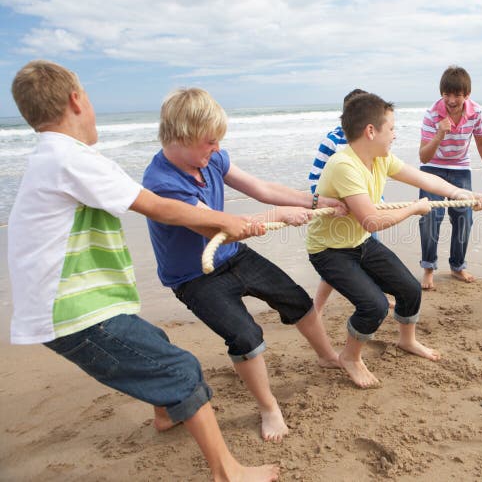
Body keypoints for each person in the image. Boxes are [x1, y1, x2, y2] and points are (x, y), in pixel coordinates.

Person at [8, 60, 278, 481]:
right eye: (89, 98)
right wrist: (226, 220)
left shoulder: (53, 157)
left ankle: (166, 414)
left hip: (71, 304)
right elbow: (157, 206)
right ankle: (228, 473)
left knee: (155, 341)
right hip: (70, 312)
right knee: (181, 370)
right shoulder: (69, 157)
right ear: (76, 100)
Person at [143, 87, 346, 443]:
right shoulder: (162, 184)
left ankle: (328, 356)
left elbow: (261, 188)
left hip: (233, 255)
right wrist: (278, 215)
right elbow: (218, 229)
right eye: (210, 141)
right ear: (182, 136)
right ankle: (269, 407)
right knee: (246, 336)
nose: (217, 148)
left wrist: (316, 201)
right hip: (195, 276)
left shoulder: (211, 158)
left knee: (296, 299)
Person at [306, 92, 482, 388]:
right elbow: (372, 221)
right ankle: (350, 357)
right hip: (329, 250)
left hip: (359, 242)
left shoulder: (380, 159)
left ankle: (407, 341)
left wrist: (461, 193)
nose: (394, 134)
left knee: (409, 289)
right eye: (391, 128)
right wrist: (414, 209)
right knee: (374, 306)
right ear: (371, 131)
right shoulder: (344, 165)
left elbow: (424, 178)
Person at [418, 65, 482, 290]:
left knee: (464, 217)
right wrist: (439, 134)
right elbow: (423, 156)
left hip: (460, 168)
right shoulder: (431, 114)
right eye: (447, 94)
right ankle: (428, 268)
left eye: (457, 95)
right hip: (432, 168)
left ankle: (457, 266)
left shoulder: (476, 113)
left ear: (467, 95)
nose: (451, 100)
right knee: (430, 217)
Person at [308, 88, 367, 311]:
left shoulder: (369, 142)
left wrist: (376, 203)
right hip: (339, 215)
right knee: (335, 267)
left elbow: (373, 178)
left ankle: (375, 296)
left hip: (365, 213)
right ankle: (317, 308)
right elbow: (315, 179)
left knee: (371, 258)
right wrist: (330, 203)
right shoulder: (333, 141)